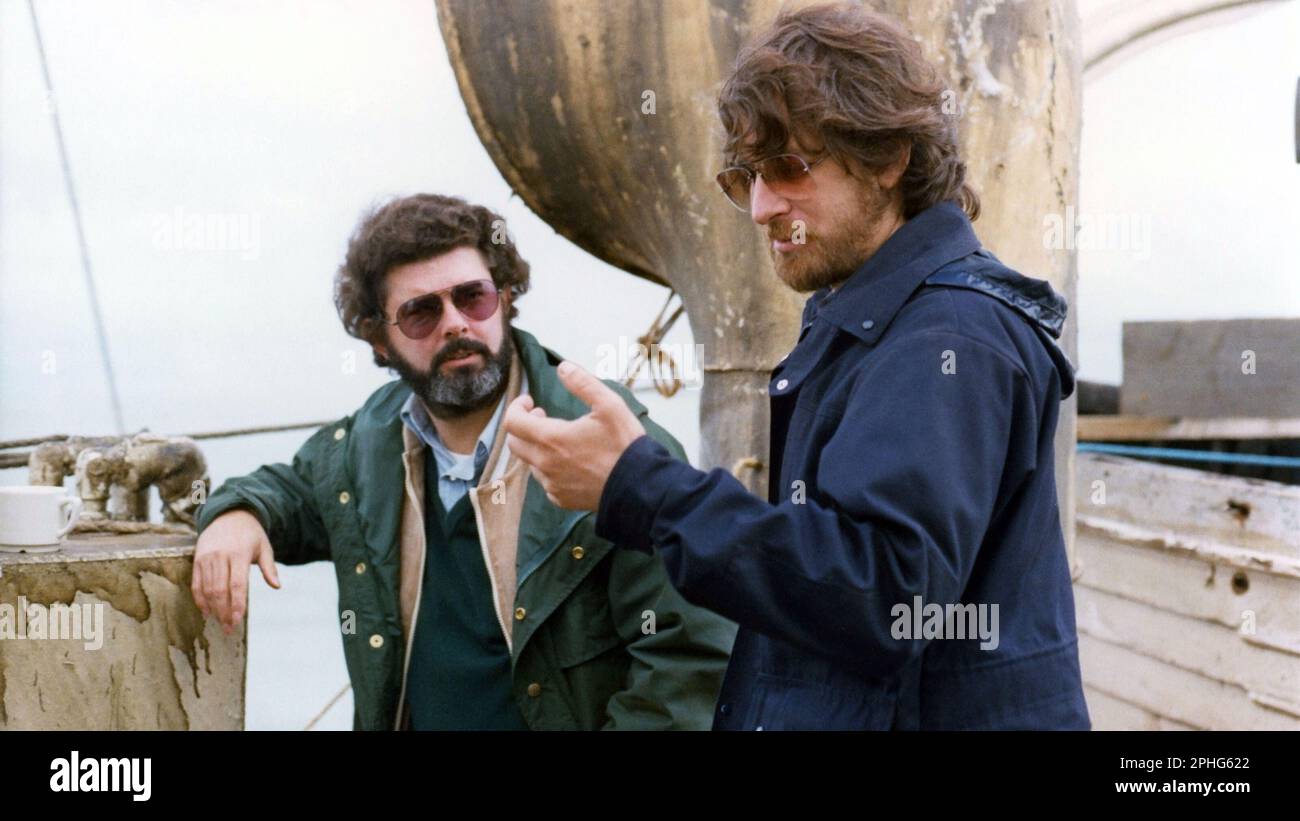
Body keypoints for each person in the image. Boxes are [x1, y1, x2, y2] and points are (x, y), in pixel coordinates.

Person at [504, 3, 1090, 730]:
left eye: (788, 168)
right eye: (744, 176)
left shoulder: (951, 338)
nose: (759, 206)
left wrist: (640, 487)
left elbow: (891, 599)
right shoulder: (872, 321)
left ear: (887, 158)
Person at [192, 193, 736, 730]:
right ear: (379, 339)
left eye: (472, 297)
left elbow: (690, 658)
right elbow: (292, 492)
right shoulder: (369, 445)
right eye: (421, 311)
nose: (454, 323)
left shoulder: (607, 440)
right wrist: (236, 514)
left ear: (504, 299)